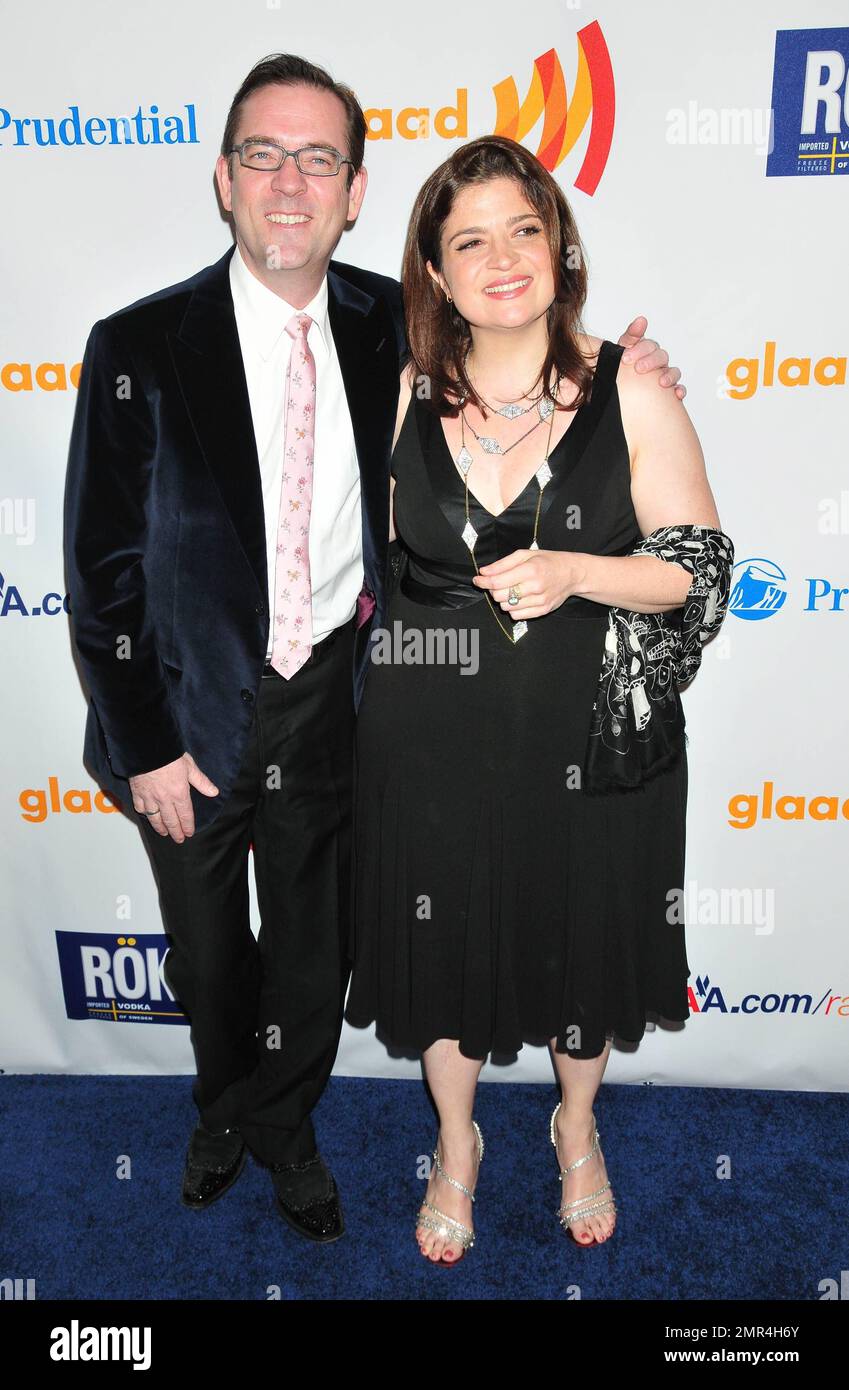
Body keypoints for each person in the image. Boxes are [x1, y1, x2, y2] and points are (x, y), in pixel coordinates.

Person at [64, 54, 686, 1245]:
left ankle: (290, 1131)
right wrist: (142, 741)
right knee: (207, 951)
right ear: (223, 179)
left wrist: (633, 372)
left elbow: (536, 361)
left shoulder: (388, 330)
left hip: (337, 707)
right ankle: (219, 1111)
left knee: (312, 951)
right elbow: (100, 573)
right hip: (184, 719)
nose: (291, 182)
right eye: (264, 154)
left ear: (354, 191)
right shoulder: (137, 342)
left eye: (320, 159)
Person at [344, 135, 724, 1263]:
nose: (502, 257)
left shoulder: (631, 386)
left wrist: (577, 573)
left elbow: (697, 566)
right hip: (424, 739)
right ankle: (456, 1142)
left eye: (523, 228)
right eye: (470, 239)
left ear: (560, 243)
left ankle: (576, 1127)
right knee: (442, 946)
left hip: (588, 738)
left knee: (579, 944)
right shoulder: (396, 391)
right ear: (434, 269)